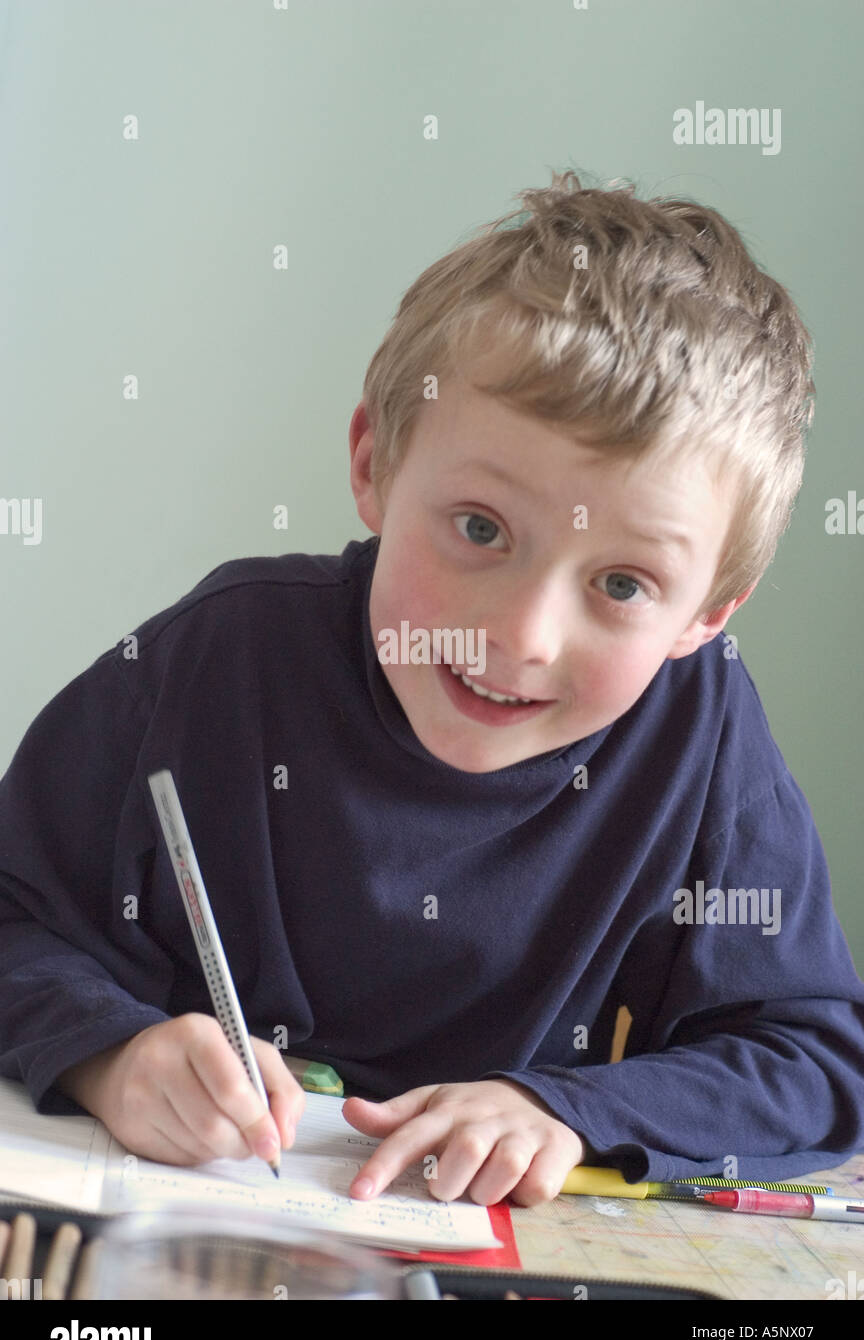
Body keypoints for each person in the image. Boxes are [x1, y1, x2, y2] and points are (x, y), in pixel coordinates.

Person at [2, 170, 863, 1208]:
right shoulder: (215, 657)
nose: (522, 635)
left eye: (624, 584)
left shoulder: (702, 732)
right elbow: (14, 918)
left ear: (708, 610)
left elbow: (811, 1060)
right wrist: (114, 1052)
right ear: (376, 461)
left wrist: (565, 1108)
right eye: (480, 529)